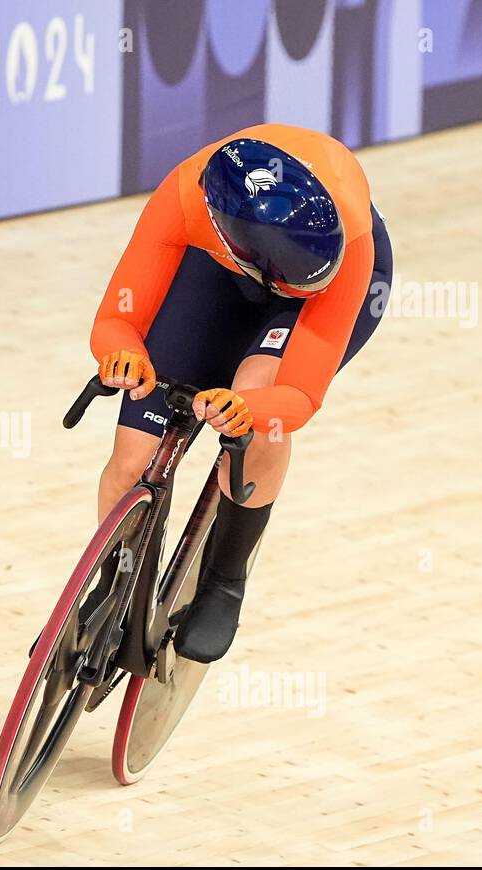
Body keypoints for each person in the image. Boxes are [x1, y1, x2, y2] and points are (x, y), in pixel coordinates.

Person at [90, 123, 393, 664]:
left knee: (259, 398)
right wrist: (125, 357)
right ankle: (111, 584)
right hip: (217, 265)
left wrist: (247, 409)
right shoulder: (186, 195)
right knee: (131, 456)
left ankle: (225, 580)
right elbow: (118, 319)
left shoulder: (349, 241)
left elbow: (299, 394)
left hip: (312, 300)